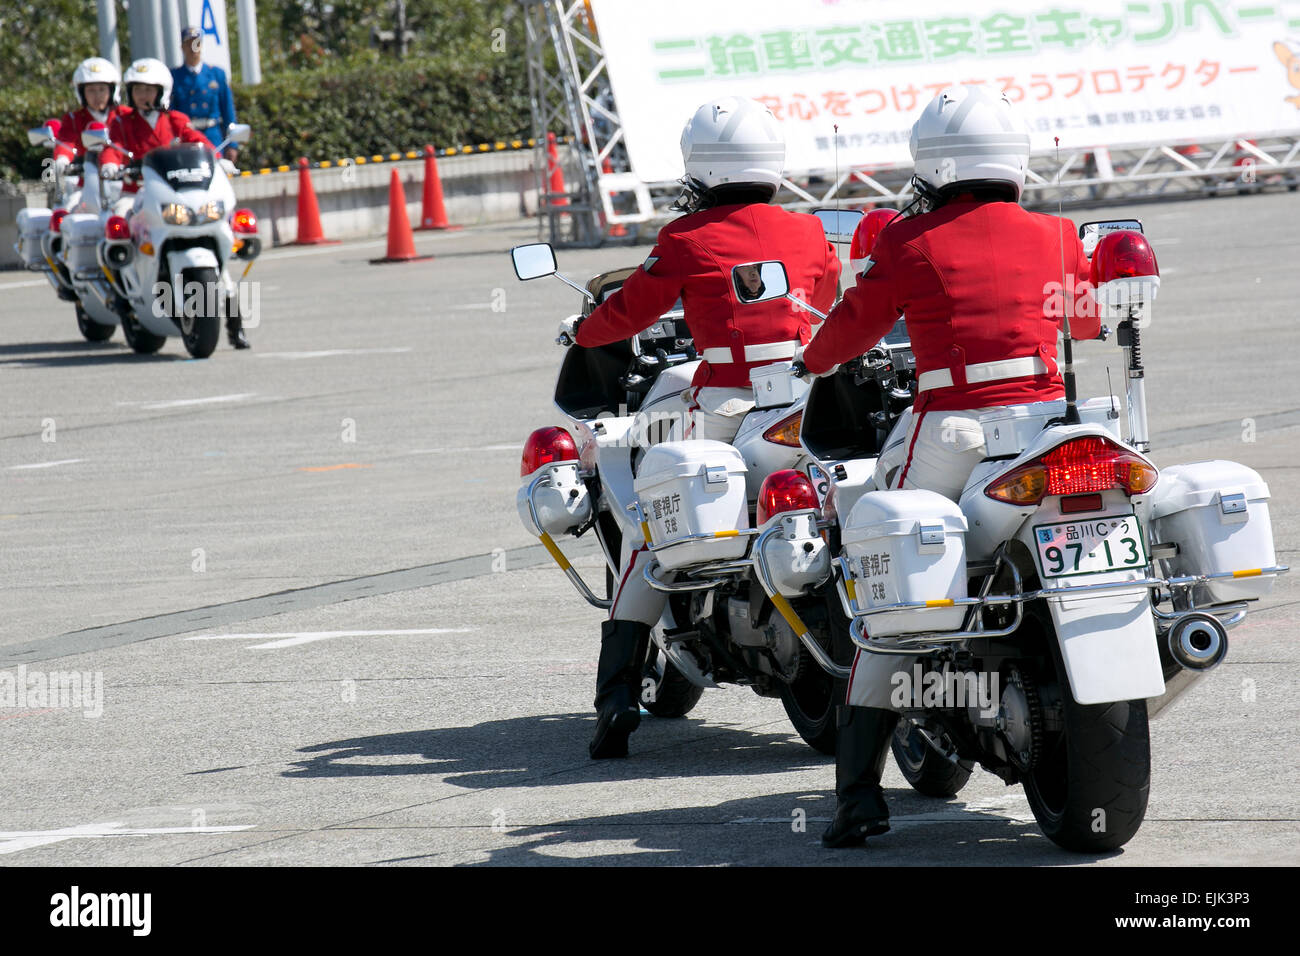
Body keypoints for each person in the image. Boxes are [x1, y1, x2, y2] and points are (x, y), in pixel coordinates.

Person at [799, 85, 1101, 848]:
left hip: (951, 428)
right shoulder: (1061, 233)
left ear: (930, 165)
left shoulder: (909, 240)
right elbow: (1091, 320)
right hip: (1049, 426)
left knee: (882, 577)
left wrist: (812, 357)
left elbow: (852, 331)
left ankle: (858, 795)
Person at [569, 96, 841, 759]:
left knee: (647, 531)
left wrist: (584, 331)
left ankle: (616, 698)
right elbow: (828, 300)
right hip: (807, 397)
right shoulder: (808, 232)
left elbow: (630, 310)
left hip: (723, 402)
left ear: (701, 168)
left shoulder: (686, 240)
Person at [101, 58, 250, 349]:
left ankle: (235, 323)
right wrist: (109, 165)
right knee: (117, 227)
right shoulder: (121, 123)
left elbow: (200, 144)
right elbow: (111, 150)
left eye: (149, 89)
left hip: (176, 193)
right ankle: (123, 300)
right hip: (136, 192)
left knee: (221, 239)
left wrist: (218, 160)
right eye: (138, 89)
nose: (143, 95)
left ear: (163, 91)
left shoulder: (176, 120)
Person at [171, 26, 238, 163]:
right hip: (187, 139)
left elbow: (228, 111)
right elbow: (171, 114)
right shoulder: (175, 76)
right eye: (189, 44)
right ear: (182, 47)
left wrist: (232, 144)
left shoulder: (216, 74)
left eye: (197, 43)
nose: (193, 48)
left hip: (213, 137)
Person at [52, 57, 123, 183]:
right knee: (72, 203)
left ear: (112, 91)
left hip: (122, 182)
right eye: (91, 90)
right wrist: (63, 158)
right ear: (81, 93)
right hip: (85, 184)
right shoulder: (73, 119)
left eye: (102, 89)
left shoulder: (124, 116)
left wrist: (111, 163)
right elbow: (66, 141)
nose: (97, 96)